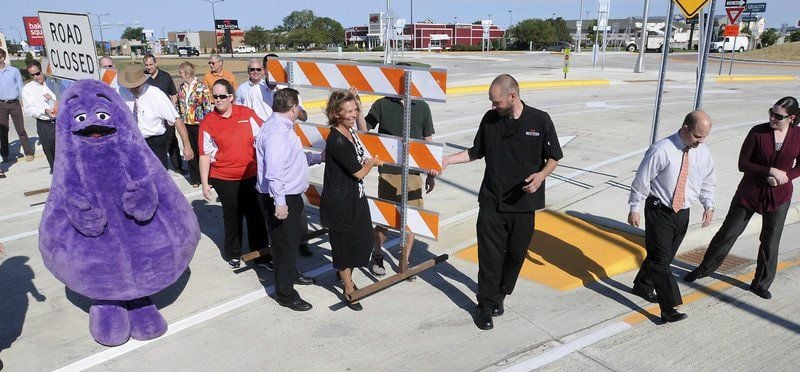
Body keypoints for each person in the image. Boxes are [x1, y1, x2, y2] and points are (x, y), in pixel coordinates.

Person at [440, 74, 562, 330]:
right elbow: (476, 151)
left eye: (497, 102)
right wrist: (447, 160)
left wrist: (540, 176)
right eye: (491, 102)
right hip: (492, 202)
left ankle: (501, 294)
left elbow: (553, 157)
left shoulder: (540, 120)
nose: (493, 107)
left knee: (516, 254)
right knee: (490, 256)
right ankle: (484, 304)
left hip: (524, 204)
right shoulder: (490, 120)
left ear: (513, 96)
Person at [684, 97, 800, 299]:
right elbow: (743, 164)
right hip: (749, 193)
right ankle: (704, 269)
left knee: (770, 242)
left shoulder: (799, 136)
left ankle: (761, 283)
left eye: (778, 116)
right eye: (770, 113)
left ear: (791, 118)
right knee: (728, 232)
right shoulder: (758, 132)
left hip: (779, 197)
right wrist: (770, 170)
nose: (772, 118)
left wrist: (785, 177)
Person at [628, 110, 716, 323]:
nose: (700, 141)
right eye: (697, 136)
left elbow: (707, 181)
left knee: (663, 256)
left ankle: (642, 285)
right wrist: (634, 207)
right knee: (661, 261)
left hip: (682, 213)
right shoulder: (662, 149)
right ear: (685, 128)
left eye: (704, 137)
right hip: (659, 210)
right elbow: (642, 179)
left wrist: (708, 205)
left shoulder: (703, 153)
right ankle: (669, 308)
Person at [362, 63, 436, 276]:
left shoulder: (422, 107)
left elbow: (427, 141)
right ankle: (377, 254)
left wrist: (431, 172)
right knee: (385, 221)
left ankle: (405, 261)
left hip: (413, 174)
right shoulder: (382, 105)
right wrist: (356, 107)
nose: (405, 82)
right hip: (389, 173)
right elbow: (365, 127)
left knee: (411, 221)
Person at [255, 88, 322, 311]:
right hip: (281, 198)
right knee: (284, 248)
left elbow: (290, 160)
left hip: (286, 195)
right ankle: (285, 294)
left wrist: (316, 158)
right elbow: (274, 171)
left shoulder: (280, 126)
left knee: (290, 244)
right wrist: (280, 202)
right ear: (293, 109)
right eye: (299, 108)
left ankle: (291, 274)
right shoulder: (277, 133)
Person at [320, 89, 383, 311]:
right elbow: (358, 173)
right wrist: (372, 163)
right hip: (340, 202)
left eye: (354, 110)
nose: (353, 115)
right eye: (348, 111)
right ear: (336, 114)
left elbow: (363, 129)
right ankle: (349, 289)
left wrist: (357, 102)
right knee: (344, 249)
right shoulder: (336, 139)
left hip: (355, 198)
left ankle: (345, 275)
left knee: (364, 241)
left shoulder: (350, 131)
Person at [199, 79, 268, 269]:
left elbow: (265, 136)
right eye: (215, 96)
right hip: (224, 178)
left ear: (231, 97)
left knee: (256, 216)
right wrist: (205, 183)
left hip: (251, 175)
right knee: (232, 216)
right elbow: (205, 155)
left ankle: (262, 255)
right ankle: (234, 253)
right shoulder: (208, 122)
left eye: (222, 96)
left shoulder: (247, 114)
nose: (218, 100)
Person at [117, 65, 194, 168]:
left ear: (143, 81)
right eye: (131, 87)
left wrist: (187, 146)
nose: (134, 89)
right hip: (132, 142)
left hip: (154, 143)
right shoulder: (119, 92)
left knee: (157, 176)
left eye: (137, 86)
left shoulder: (156, 94)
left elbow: (176, 120)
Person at [144, 54, 183, 174]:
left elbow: (173, 94)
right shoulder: (143, 77)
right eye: (146, 65)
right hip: (151, 117)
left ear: (156, 63)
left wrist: (170, 111)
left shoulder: (165, 77)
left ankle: (177, 166)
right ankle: (158, 167)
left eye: (151, 64)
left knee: (171, 140)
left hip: (166, 115)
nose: (149, 67)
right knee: (156, 143)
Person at [176, 61, 213, 187]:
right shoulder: (181, 87)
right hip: (186, 123)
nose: (179, 74)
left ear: (186, 72)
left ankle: (208, 178)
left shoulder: (202, 87)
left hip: (199, 124)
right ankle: (195, 178)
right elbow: (179, 105)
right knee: (190, 150)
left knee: (202, 151)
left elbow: (207, 107)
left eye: (181, 72)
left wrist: (208, 124)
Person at [21, 60, 58, 172]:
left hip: (61, 121)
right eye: (32, 75)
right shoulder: (28, 89)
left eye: (37, 73)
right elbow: (29, 109)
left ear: (42, 71)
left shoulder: (54, 83)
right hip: (45, 124)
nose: (36, 77)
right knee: (50, 150)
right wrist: (45, 111)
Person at [0, 48, 34, 167]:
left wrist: (24, 104)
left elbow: (21, 88)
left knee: (21, 129)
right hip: (1, 105)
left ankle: (28, 152)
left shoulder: (14, 71)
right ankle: (5, 155)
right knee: (3, 131)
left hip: (14, 104)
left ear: (2, 58)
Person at [262, 54, 308, 122]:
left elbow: (304, 117)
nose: (274, 70)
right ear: (264, 70)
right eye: (271, 67)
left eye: (277, 67)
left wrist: (288, 106)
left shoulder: (288, 89)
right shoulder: (255, 90)